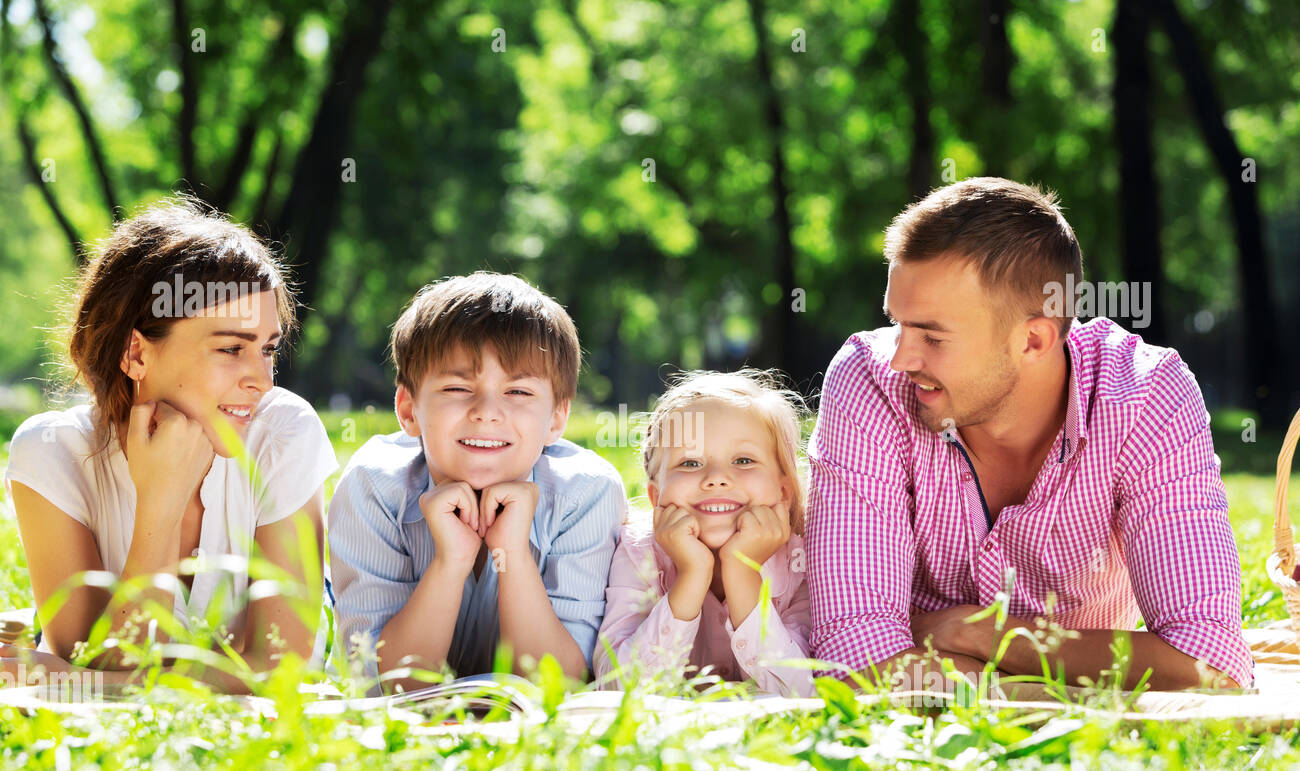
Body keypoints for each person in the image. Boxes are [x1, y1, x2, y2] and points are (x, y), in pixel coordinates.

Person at [806, 177, 1251, 693]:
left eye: (932, 336)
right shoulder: (869, 380)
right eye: (898, 324)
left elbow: (1211, 665)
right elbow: (853, 658)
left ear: (1034, 338)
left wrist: (980, 635)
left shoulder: (1144, 397)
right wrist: (1058, 680)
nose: (902, 358)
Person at [3, 198, 337, 688]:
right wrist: (158, 502)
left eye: (267, 349)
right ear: (136, 352)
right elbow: (93, 663)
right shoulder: (52, 451)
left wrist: (77, 677)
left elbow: (283, 669)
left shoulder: (283, 434)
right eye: (230, 348)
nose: (262, 381)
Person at [328, 272, 627, 692]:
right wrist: (449, 564)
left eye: (519, 392)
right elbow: (382, 687)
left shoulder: (586, 493)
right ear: (409, 409)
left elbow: (558, 685)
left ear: (557, 418)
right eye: (456, 387)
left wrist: (512, 555)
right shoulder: (373, 487)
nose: (487, 411)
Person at [595, 370, 812, 697]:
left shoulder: (803, 561)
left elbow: (801, 692)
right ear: (657, 498)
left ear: (783, 492)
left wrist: (742, 573)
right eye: (690, 463)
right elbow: (617, 688)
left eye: (743, 460)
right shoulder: (638, 552)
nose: (717, 478)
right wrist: (692, 576)